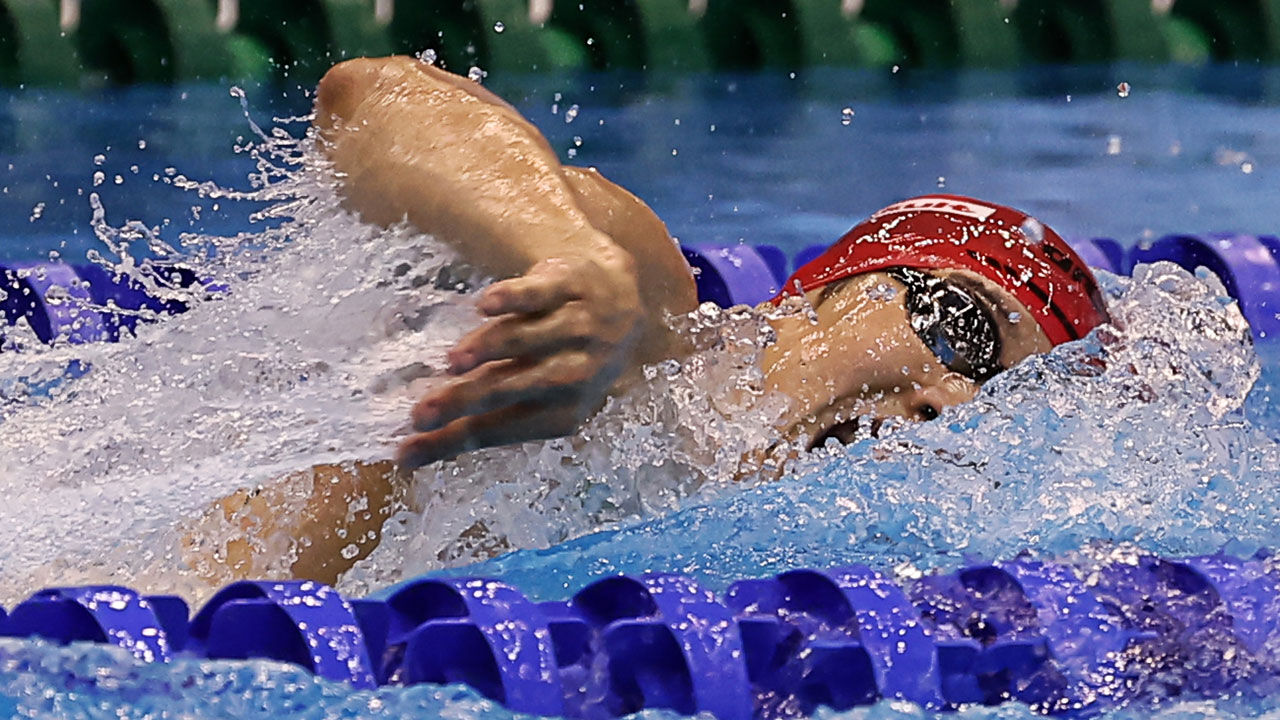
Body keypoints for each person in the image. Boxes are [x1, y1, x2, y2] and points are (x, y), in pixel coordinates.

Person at [192, 55, 1110, 586]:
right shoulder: (652, 342)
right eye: (964, 327)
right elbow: (371, 100)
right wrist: (570, 258)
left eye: (1003, 395)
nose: (956, 398)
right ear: (824, 289)